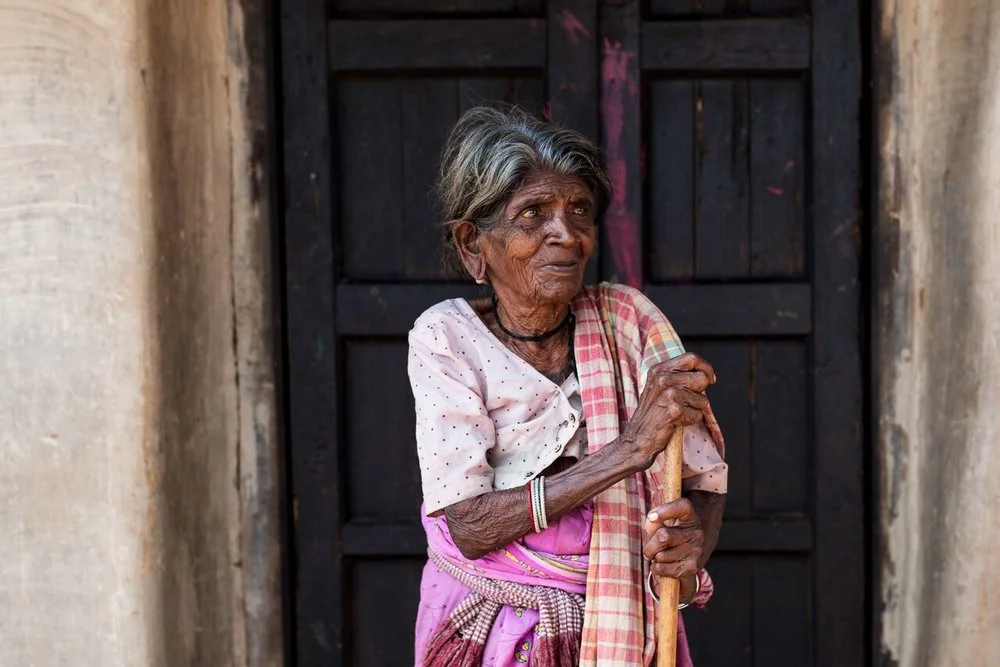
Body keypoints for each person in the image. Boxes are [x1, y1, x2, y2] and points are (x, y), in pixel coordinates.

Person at [409, 106, 728, 667]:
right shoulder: (447, 338)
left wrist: (689, 547)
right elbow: (469, 525)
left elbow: (704, 478)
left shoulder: (628, 325)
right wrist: (628, 451)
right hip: (487, 627)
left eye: (578, 210)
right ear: (472, 245)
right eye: (534, 213)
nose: (568, 234)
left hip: (624, 621)